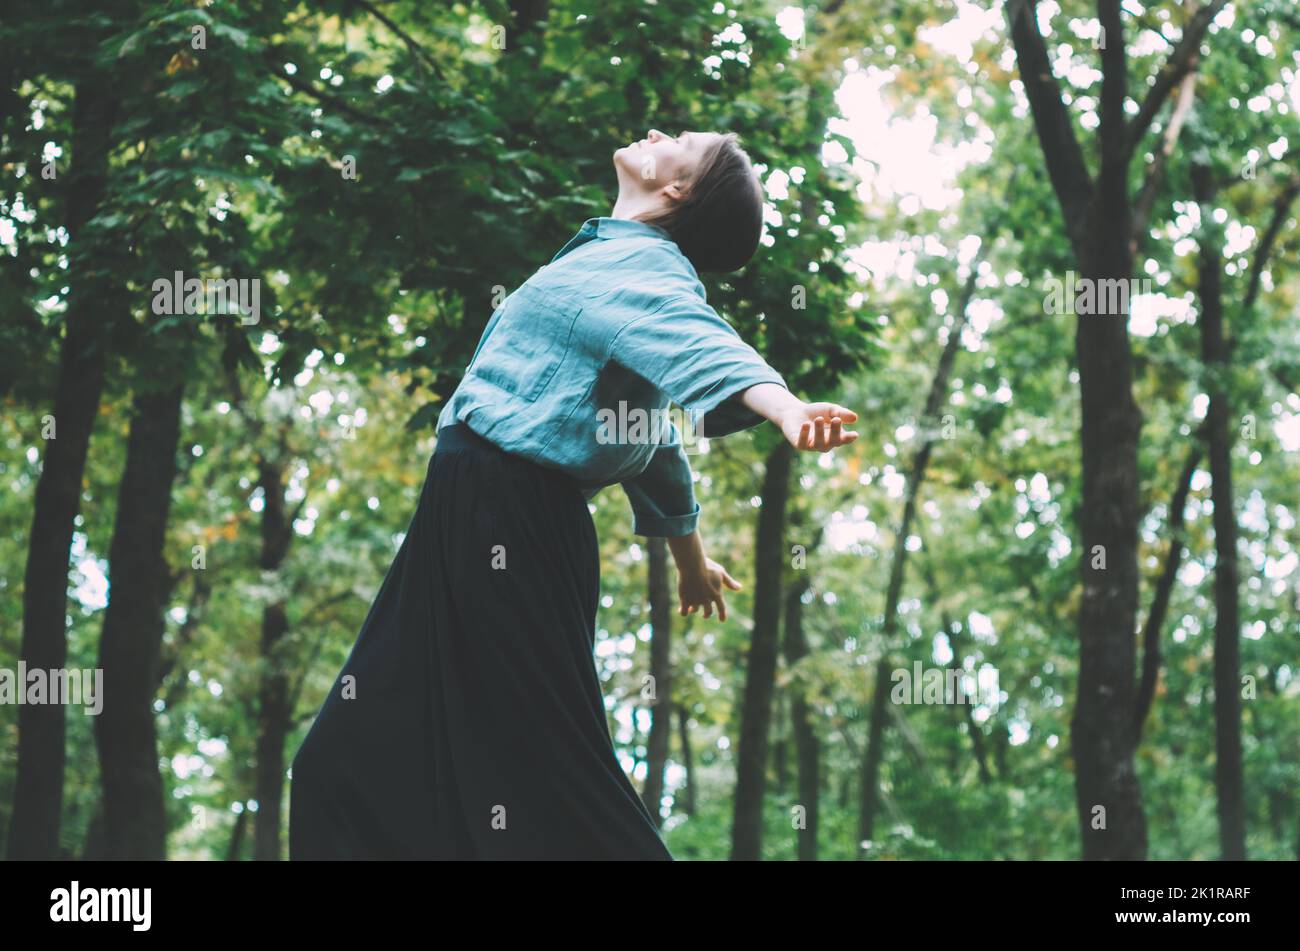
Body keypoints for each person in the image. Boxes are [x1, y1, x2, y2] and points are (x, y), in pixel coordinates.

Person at [289, 128, 859, 860]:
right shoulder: (605, 258)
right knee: (347, 761)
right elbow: (654, 438)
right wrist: (690, 557)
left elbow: (701, 344)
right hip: (467, 516)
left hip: (511, 520)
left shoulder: (646, 270)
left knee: (554, 784)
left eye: (679, 141)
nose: (659, 132)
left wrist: (782, 405)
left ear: (675, 189)